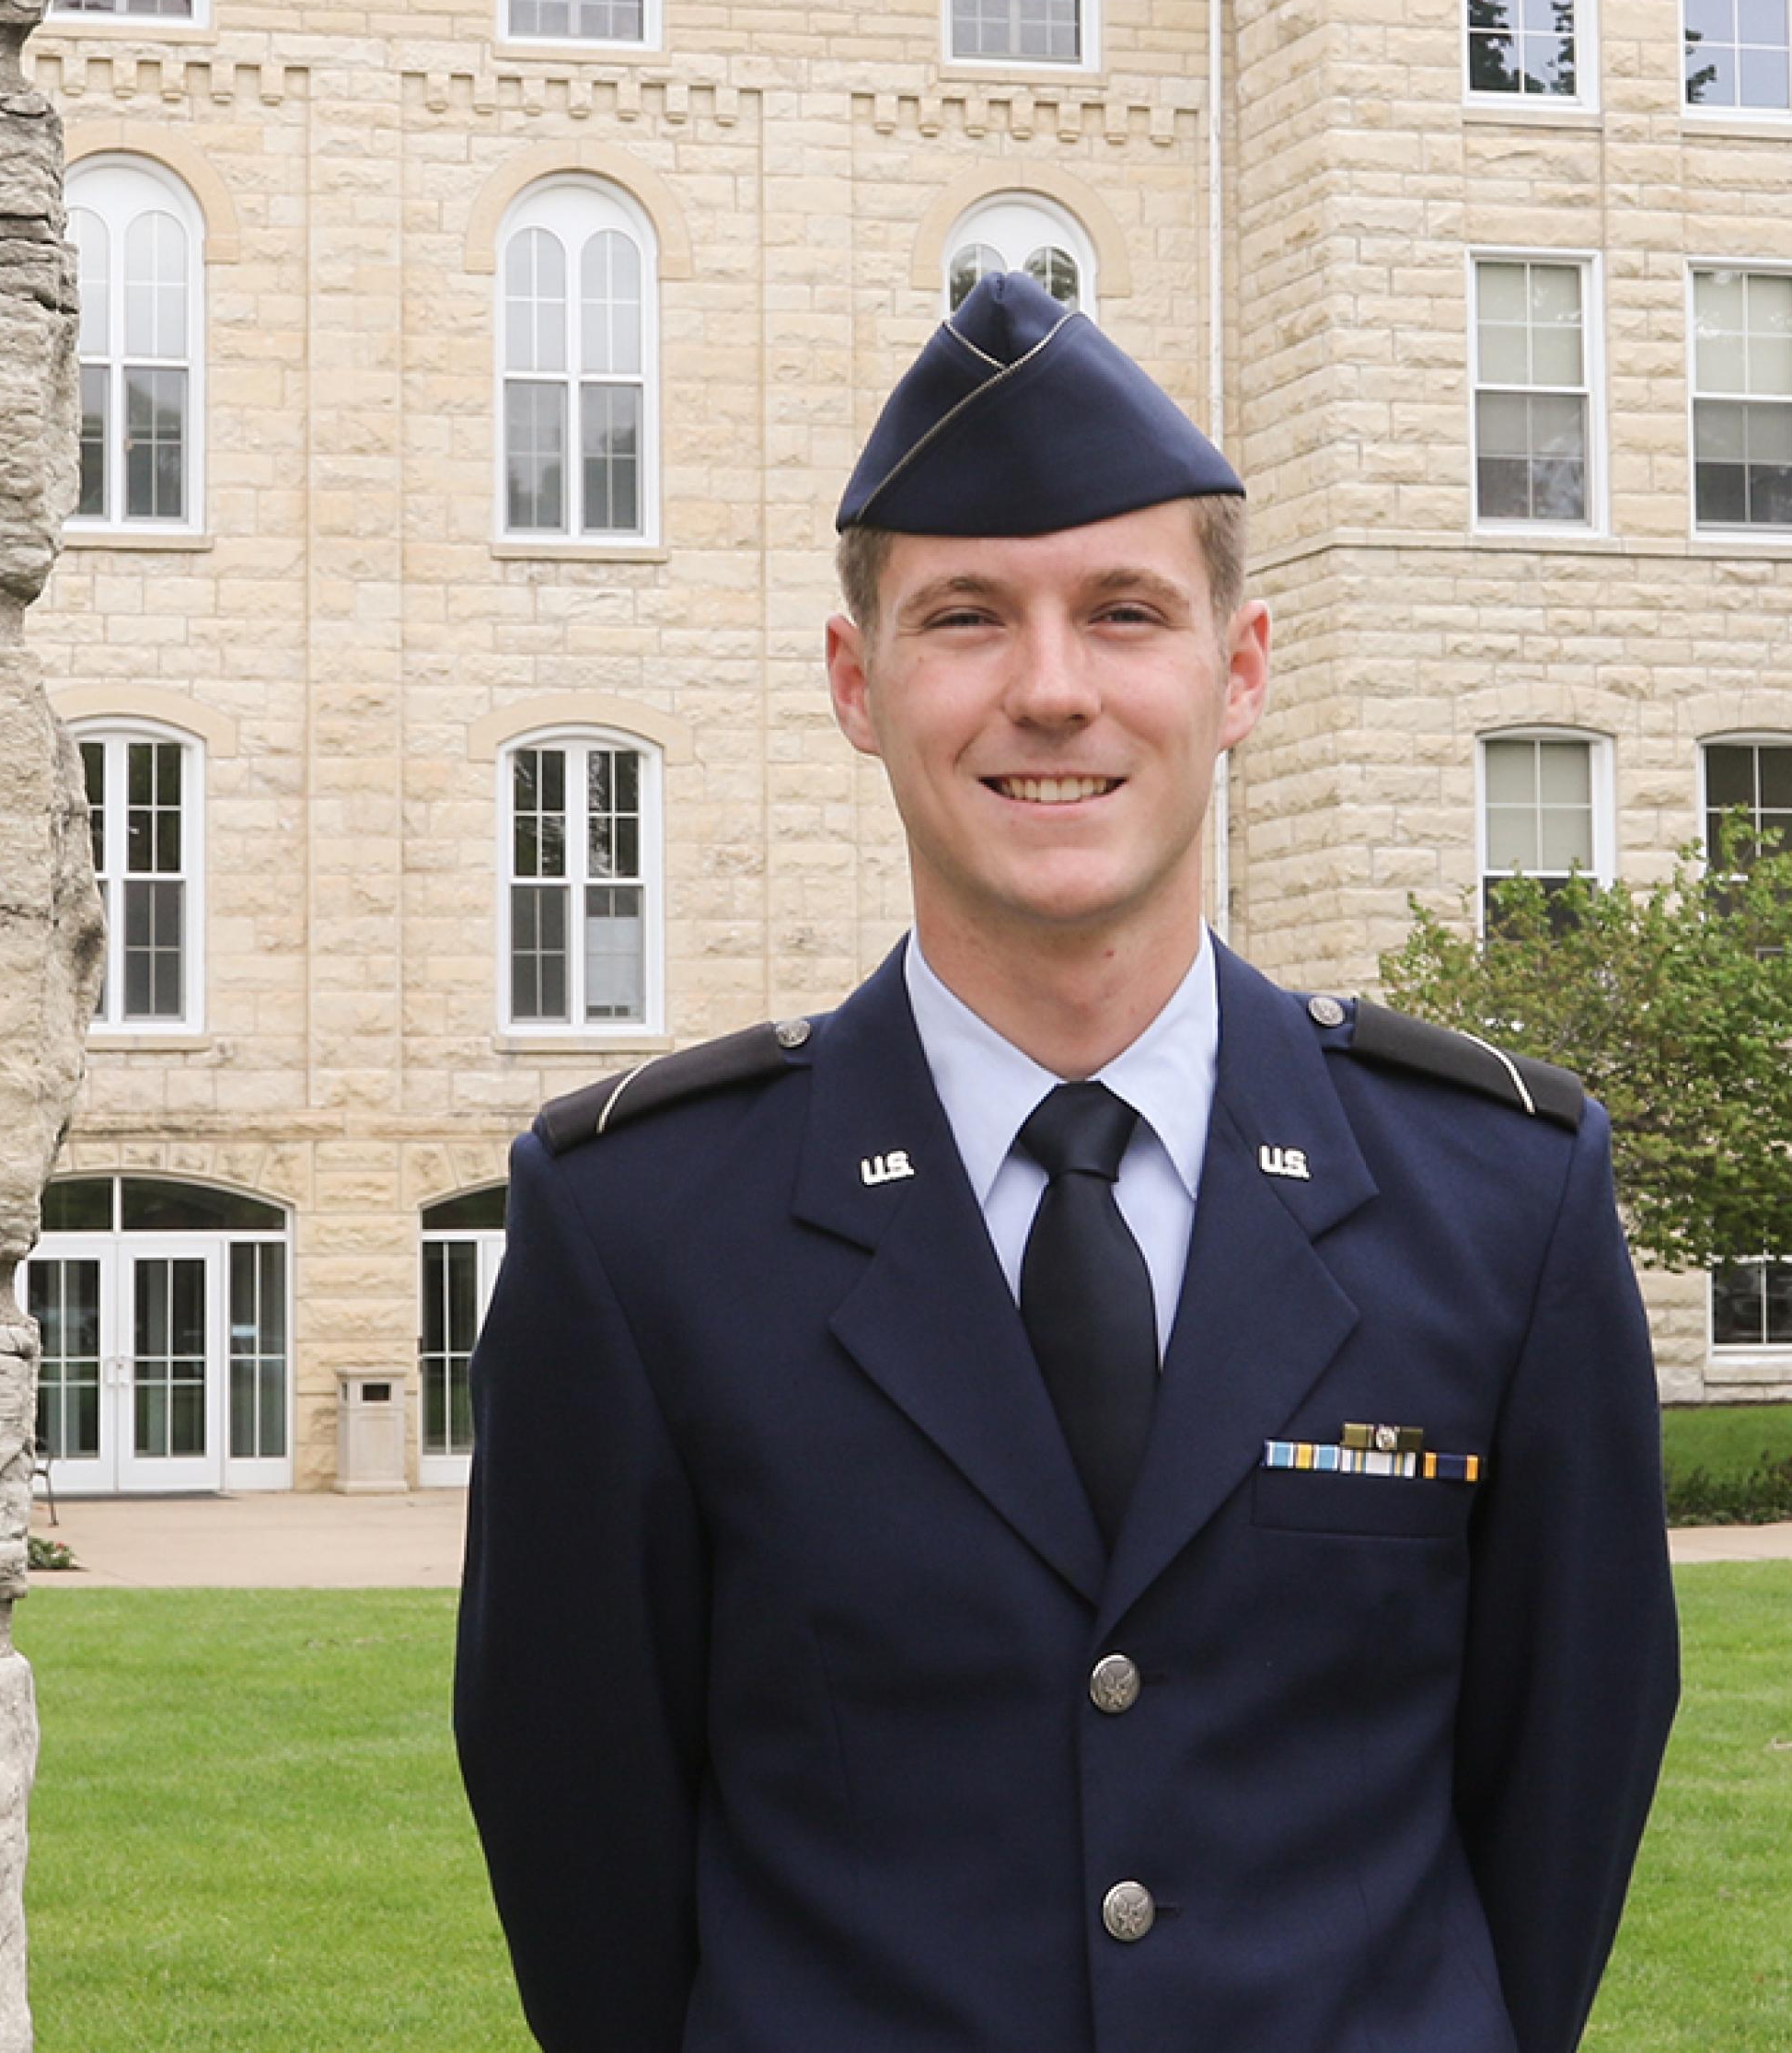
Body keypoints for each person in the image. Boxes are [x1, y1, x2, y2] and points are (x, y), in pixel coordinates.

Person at [452, 269, 1677, 2053]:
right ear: (857, 682)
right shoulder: (643, 1226)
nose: (1050, 690)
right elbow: (580, 1825)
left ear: (1237, 670)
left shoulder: (1501, 1195)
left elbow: (1564, 1773)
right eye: (966, 617)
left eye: (1122, 612)